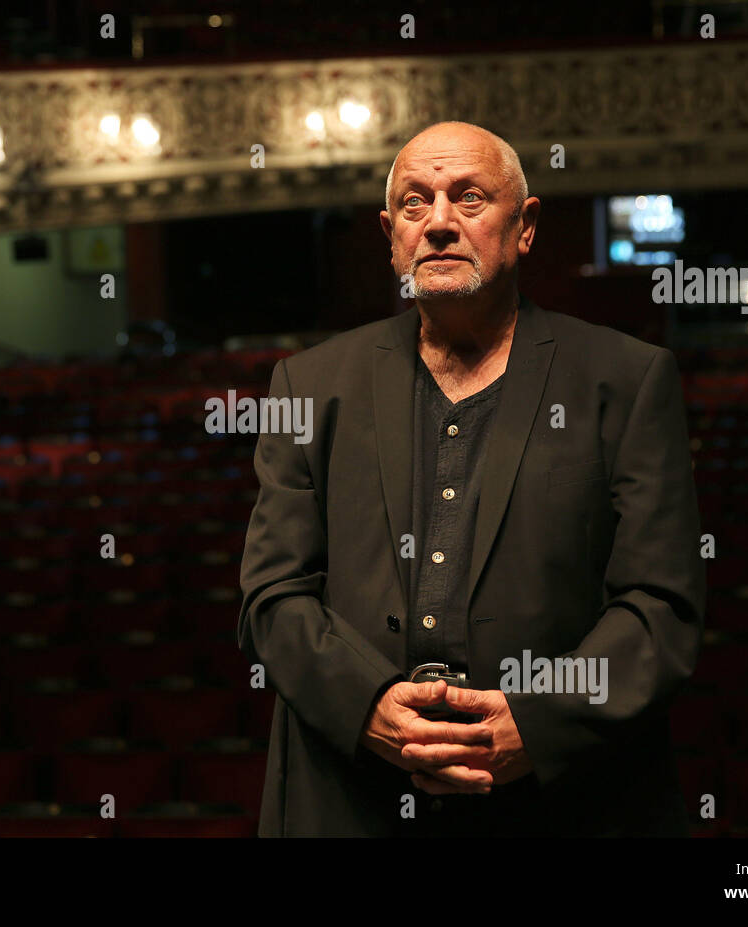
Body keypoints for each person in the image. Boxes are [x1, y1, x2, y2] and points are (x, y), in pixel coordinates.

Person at [237, 121, 705, 836]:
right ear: (392, 235)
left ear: (526, 226)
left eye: (470, 198)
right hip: (352, 800)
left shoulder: (626, 380)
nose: (440, 224)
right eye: (417, 204)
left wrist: (538, 721)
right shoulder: (310, 383)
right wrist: (368, 707)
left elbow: (661, 607)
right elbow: (272, 595)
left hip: (562, 801)